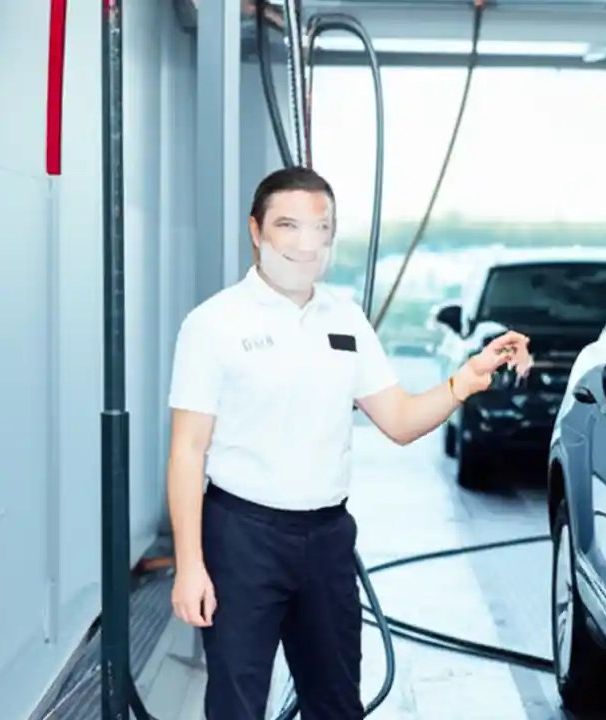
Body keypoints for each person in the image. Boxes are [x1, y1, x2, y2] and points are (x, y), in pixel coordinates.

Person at [164, 166, 531, 720]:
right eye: (288, 225)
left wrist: (465, 380)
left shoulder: (347, 319)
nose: (305, 243)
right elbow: (188, 451)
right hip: (241, 536)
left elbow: (400, 420)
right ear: (256, 231)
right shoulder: (213, 324)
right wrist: (190, 565)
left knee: (336, 703)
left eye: (320, 228)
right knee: (236, 705)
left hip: (327, 538)